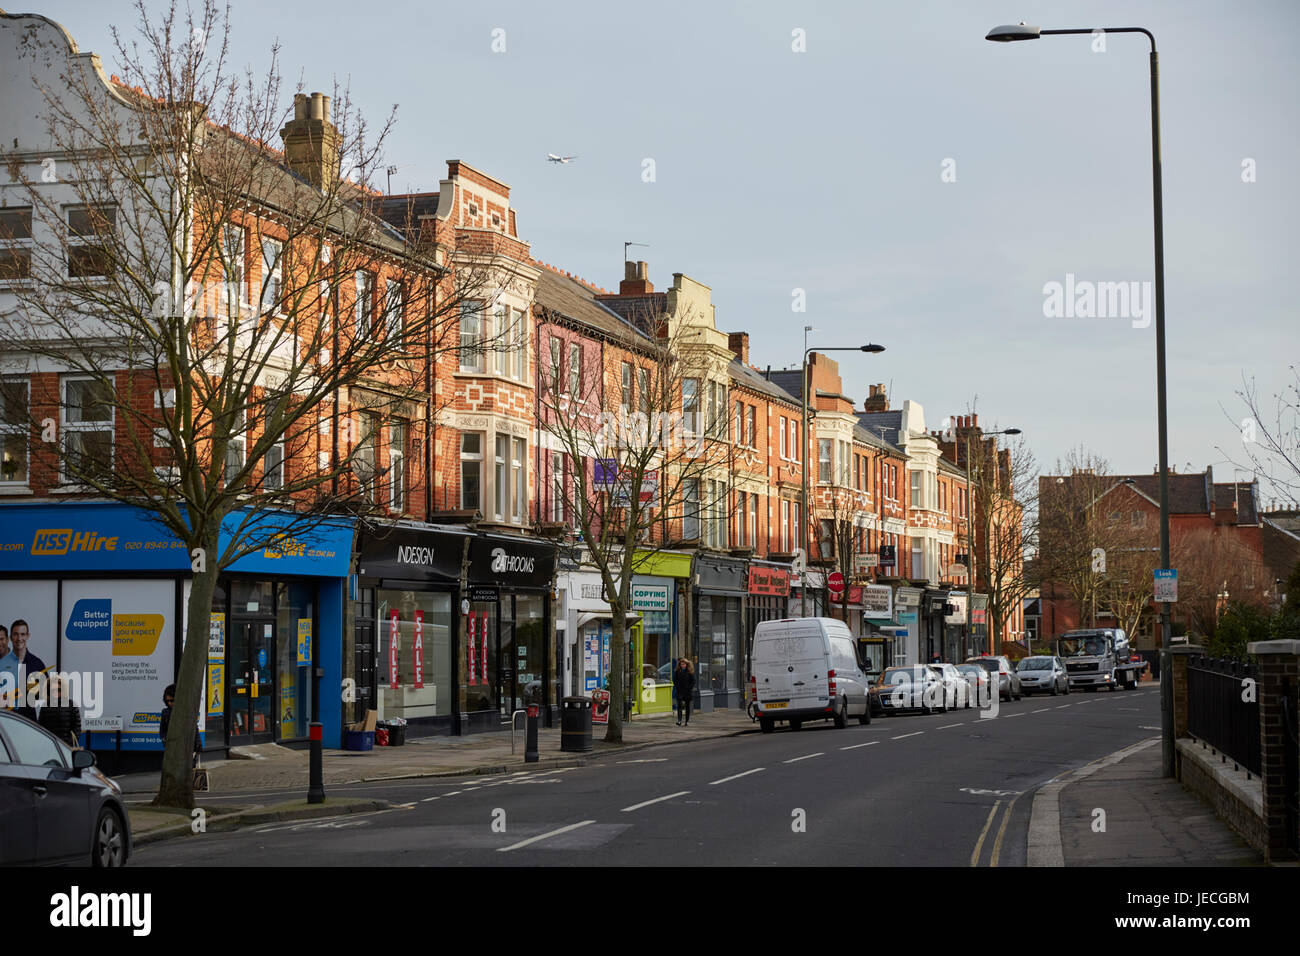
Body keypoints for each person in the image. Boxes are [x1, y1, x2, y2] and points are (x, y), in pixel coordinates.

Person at [160, 684, 203, 767]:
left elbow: (194, 728)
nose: (169, 703)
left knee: (189, 768)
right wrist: (165, 741)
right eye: (167, 701)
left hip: (187, 746)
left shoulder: (187, 711)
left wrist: (198, 744)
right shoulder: (165, 713)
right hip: (173, 746)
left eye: (172, 700)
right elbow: (162, 730)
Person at [673, 658, 695, 727]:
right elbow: (675, 680)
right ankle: (679, 721)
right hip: (680, 691)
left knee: (687, 707)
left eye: (684, 664)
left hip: (687, 691)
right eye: (681, 664)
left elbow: (693, 681)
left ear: (686, 664)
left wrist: (689, 688)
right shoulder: (677, 671)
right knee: (679, 706)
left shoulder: (689, 672)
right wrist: (677, 687)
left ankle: (687, 721)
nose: (682, 665)